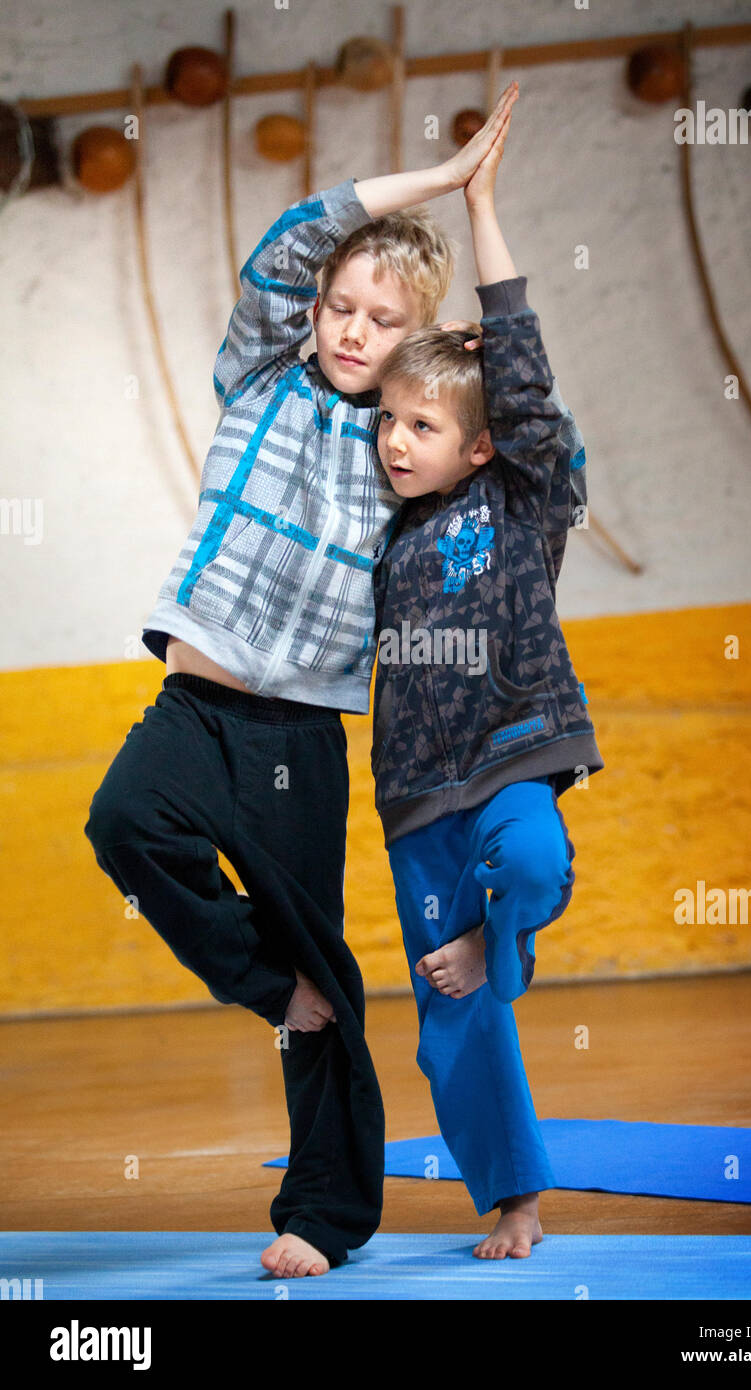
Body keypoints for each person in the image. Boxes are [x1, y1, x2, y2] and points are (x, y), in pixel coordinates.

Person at [83, 83, 522, 1279]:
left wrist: (467, 349)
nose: (348, 328)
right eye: (339, 304)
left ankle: (321, 1214)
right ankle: (262, 983)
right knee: (123, 819)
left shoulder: (401, 445)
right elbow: (291, 235)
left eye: (380, 320)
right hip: (198, 697)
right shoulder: (257, 377)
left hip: (301, 733)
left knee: (325, 962)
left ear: (408, 345)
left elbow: (501, 416)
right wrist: (438, 180)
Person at [370, 87, 604, 1258]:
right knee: (447, 1014)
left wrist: (481, 215)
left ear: (479, 447)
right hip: (415, 794)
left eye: (420, 425)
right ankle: (513, 1195)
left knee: (529, 858)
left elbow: (519, 386)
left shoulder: (524, 501)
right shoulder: (384, 537)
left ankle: (499, 943)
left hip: (512, 751)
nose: (394, 441)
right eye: (387, 424)